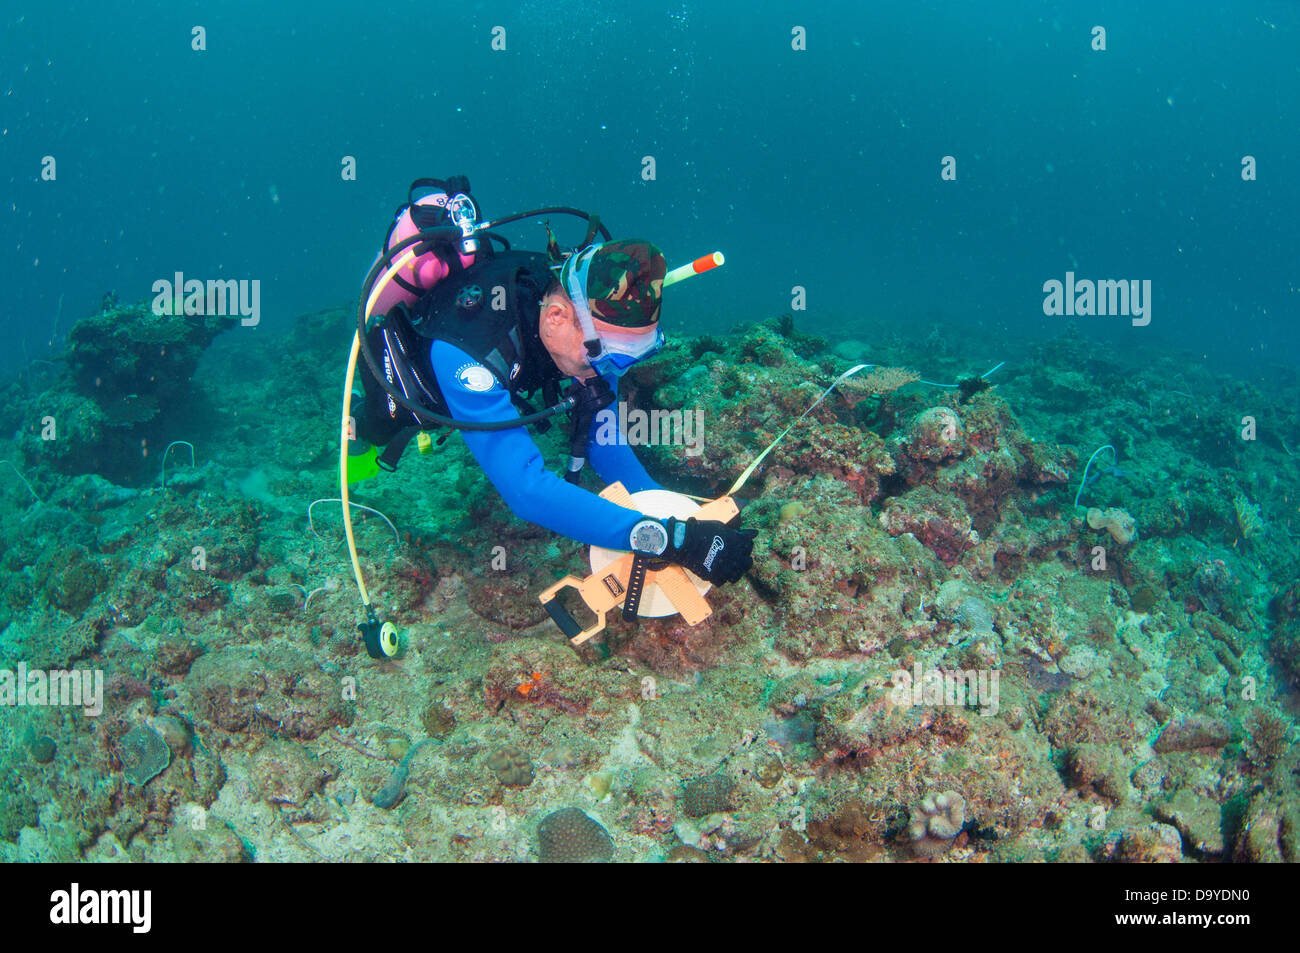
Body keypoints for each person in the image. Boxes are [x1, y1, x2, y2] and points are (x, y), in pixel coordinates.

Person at [353, 177, 754, 588]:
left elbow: (602, 438)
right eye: (610, 356)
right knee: (375, 426)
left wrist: (670, 513)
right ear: (556, 316)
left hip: (512, 355)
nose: (611, 372)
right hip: (429, 376)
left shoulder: (588, 326)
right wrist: (666, 539)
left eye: (633, 356)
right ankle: (356, 438)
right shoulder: (470, 356)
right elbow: (526, 491)